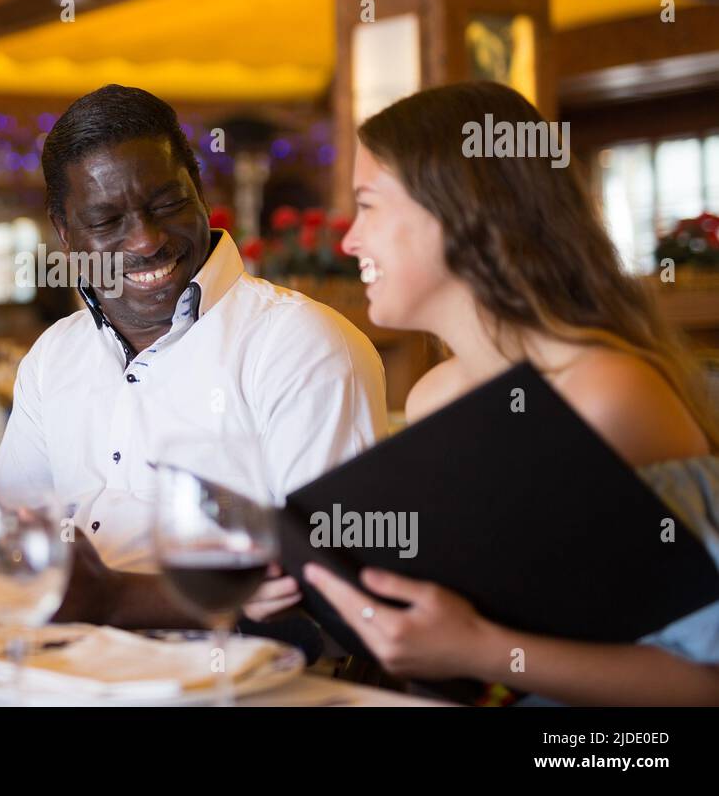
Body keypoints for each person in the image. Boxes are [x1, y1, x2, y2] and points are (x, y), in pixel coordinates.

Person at [0, 84, 388, 628]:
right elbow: (14, 552)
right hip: (69, 666)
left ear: (199, 193)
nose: (146, 240)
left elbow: (327, 583)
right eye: (107, 220)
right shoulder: (55, 355)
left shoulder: (303, 347)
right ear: (65, 234)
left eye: (166, 204)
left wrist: (111, 600)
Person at [288, 80, 719, 704]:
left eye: (369, 205)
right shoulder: (437, 394)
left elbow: (703, 682)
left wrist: (474, 650)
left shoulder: (606, 396)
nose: (350, 241)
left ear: (458, 212)